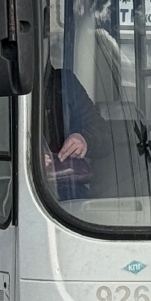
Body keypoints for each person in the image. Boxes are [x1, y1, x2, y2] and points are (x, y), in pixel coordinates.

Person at [43, 64, 109, 200]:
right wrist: (24, 157)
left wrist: (84, 139)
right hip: (11, 186)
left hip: (68, 191)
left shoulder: (65, 83)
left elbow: (105, 135)